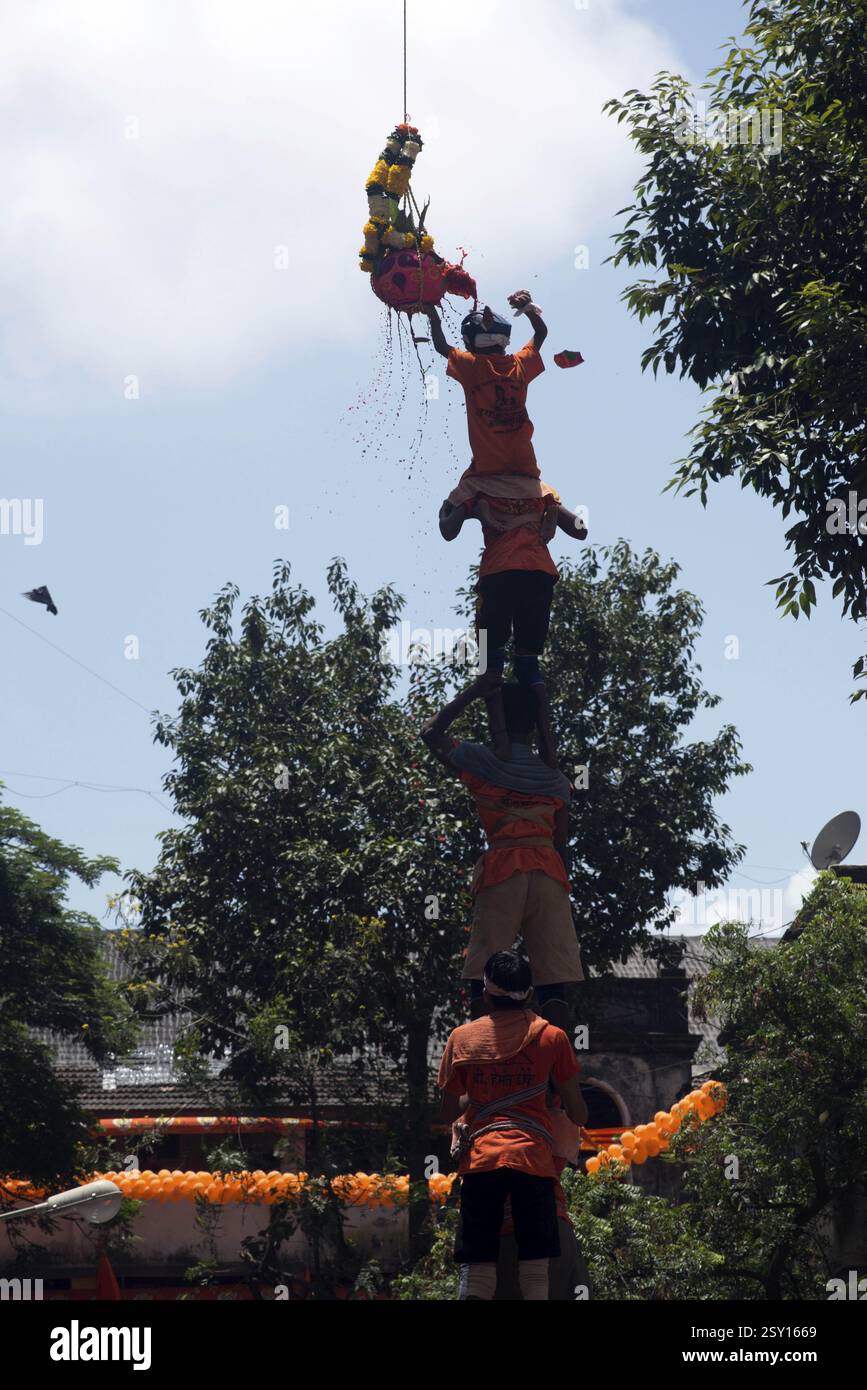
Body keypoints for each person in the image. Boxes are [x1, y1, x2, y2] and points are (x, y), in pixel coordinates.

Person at [426, 292, 587, 762]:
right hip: (535, 536)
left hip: (498, 565)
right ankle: (551, 757)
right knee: (530, 666)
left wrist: (431, 310)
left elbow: (447, 530)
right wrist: (533, 308)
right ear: (503, 340)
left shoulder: (471, 369)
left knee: (489, 667)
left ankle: (500, 748)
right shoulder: (540, 490)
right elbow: (578, 528)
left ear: (475, 342)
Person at [422, 679, 583, 1032]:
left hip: (503, 872)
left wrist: (473, 692)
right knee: (553, 982)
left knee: (482, 973)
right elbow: (561, 843)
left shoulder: (483, 761)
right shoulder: (556, 780)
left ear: (497, 720)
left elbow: (431, 732)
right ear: (534, 722)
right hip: (549, 875)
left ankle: (483, 1055)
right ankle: (560, 1070)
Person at [438, 951, 587, 1301]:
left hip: (482, 1163)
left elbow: (447, 1111)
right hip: (532, 1163)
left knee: (477, 1271)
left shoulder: (461, 1039)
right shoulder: (552, 1037)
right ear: (531, 994)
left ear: (487, 995)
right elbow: (579, 1114)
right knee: (535, 1272)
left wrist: (482, 1097)